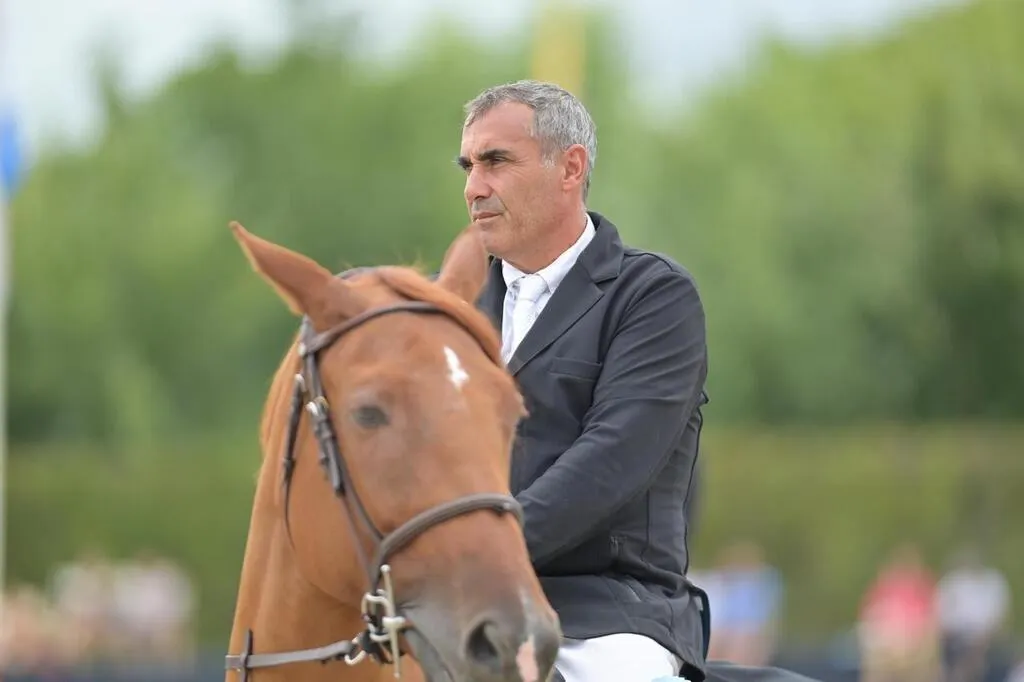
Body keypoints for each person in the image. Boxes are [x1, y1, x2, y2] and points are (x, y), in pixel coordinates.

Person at [456, 79, 710, 682]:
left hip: (605, 613)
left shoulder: (653, 297)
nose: (473, 187)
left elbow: (609, 462)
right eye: (468, 166)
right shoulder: (455, 309)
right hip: (457, 599)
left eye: (496, 161)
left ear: (570, 167)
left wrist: (474, 550)